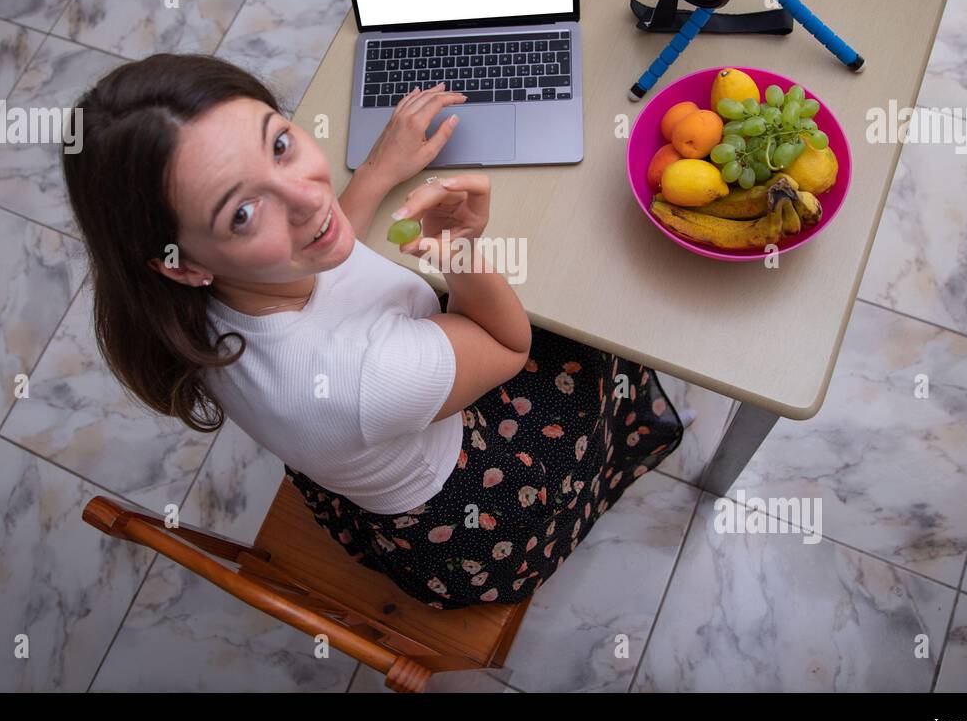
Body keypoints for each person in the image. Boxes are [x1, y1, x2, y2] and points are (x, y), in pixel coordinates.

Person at [62, 53, 686, 610]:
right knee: (590, 328)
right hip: (477, 503)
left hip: (364, 453)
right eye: (244, 213)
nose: (309, 199)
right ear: (185, 263)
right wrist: (460, 251)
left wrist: (379, 171)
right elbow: (507, 345)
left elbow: (325, 262)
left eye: (279, 145)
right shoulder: (369, 379)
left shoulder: (190, 306)